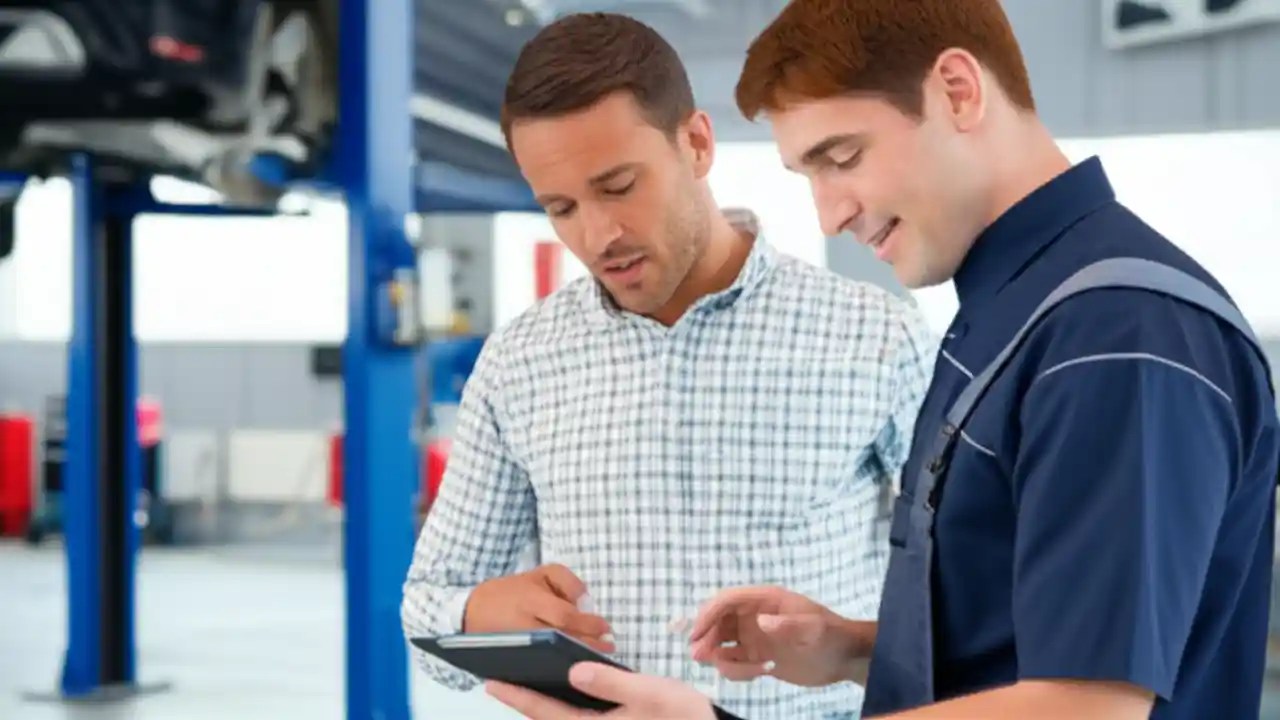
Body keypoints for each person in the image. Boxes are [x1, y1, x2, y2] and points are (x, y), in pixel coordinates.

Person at [483, 1, 1280, 719]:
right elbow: (1019, 637)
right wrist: (854, 648)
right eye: (808, 174)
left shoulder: (1114, 336)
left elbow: (1083, 708)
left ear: (959, 92)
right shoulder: (1011, 314)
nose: (831, 216)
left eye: (843, 156)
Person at [400, 11, 937, 720]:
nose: (598, 235)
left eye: (619, 186)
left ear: (696, 143)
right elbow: (425, 610)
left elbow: (969, 594)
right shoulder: (520, 363)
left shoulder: (876, 337)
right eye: (560, 207)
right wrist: (475, 610)